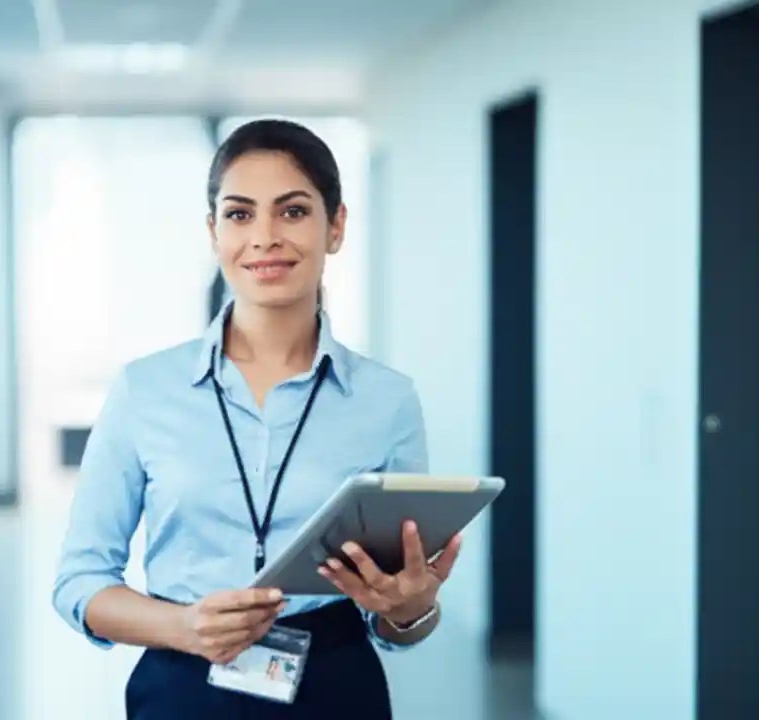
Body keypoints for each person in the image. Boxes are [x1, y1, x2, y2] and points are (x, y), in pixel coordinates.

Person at [52, 119, 464, 719]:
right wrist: (184, 627)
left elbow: (395, 622)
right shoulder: (145, 391)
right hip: (181, 682)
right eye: (240, 214)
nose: (265, 237)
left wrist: (410, 609)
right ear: (213, 230)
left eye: (293, 211)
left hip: (334, 682)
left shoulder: (387, 401)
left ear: (337, 226)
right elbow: (80, 582)